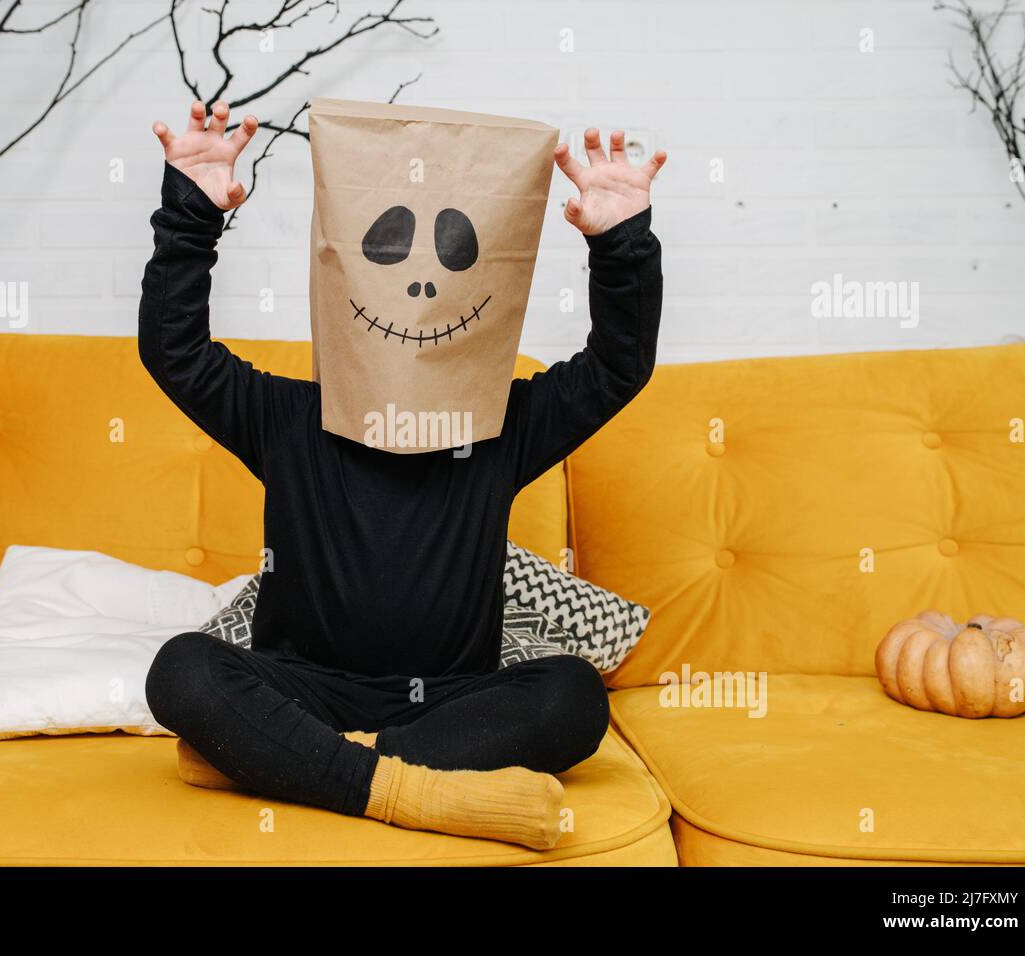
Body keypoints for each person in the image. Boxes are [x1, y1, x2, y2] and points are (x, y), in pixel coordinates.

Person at [141, 100, 665, 850]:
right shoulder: (286, 418)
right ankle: (409, 792)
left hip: (451, 702)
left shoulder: (502, 426)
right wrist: (190, 213)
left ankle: (289, 765)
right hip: (306, 688)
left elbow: (619, 366)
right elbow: (175, 352)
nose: (421, 288)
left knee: (574, 697)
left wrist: (620, 244)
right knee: (181, 672)